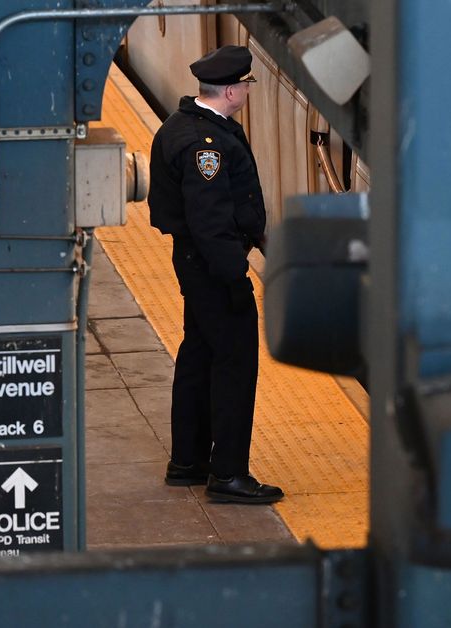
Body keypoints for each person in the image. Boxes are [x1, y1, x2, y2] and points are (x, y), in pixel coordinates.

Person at [147, 45, 283, 504]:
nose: (247, 89)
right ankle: (228, 474)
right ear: (231, 90)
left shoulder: (188, 125)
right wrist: (236, 276)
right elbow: (210, 221)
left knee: (199, 355)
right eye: (245, 84)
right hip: (212, 268)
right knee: (234, 366)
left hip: (194, 264)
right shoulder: (205, 145)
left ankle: (188, 461)